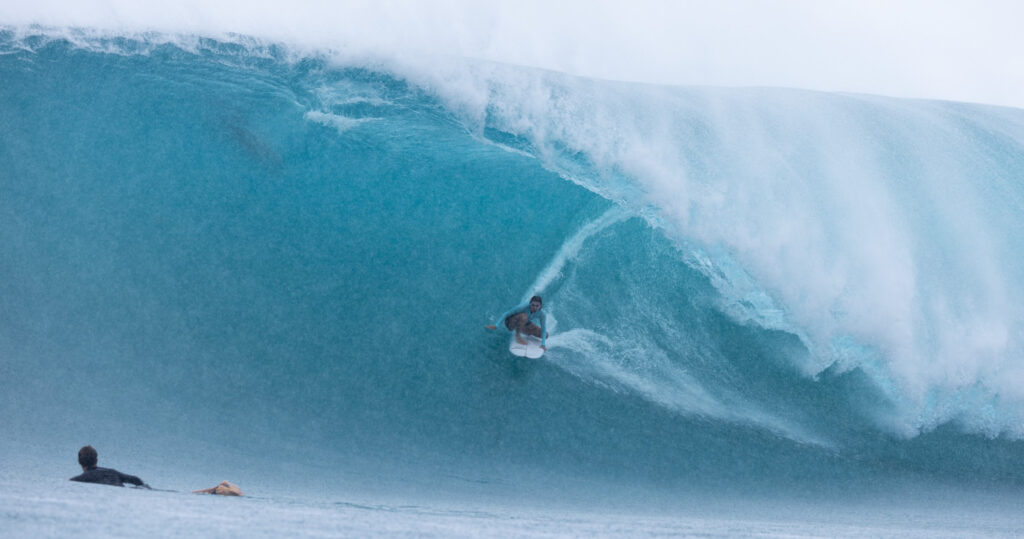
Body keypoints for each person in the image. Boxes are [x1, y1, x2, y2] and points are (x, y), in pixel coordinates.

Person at [69, 445, 149, 488]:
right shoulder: (112, 472)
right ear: (96, 460)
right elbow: (136, 479)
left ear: (79, 462)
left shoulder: (79, 479)